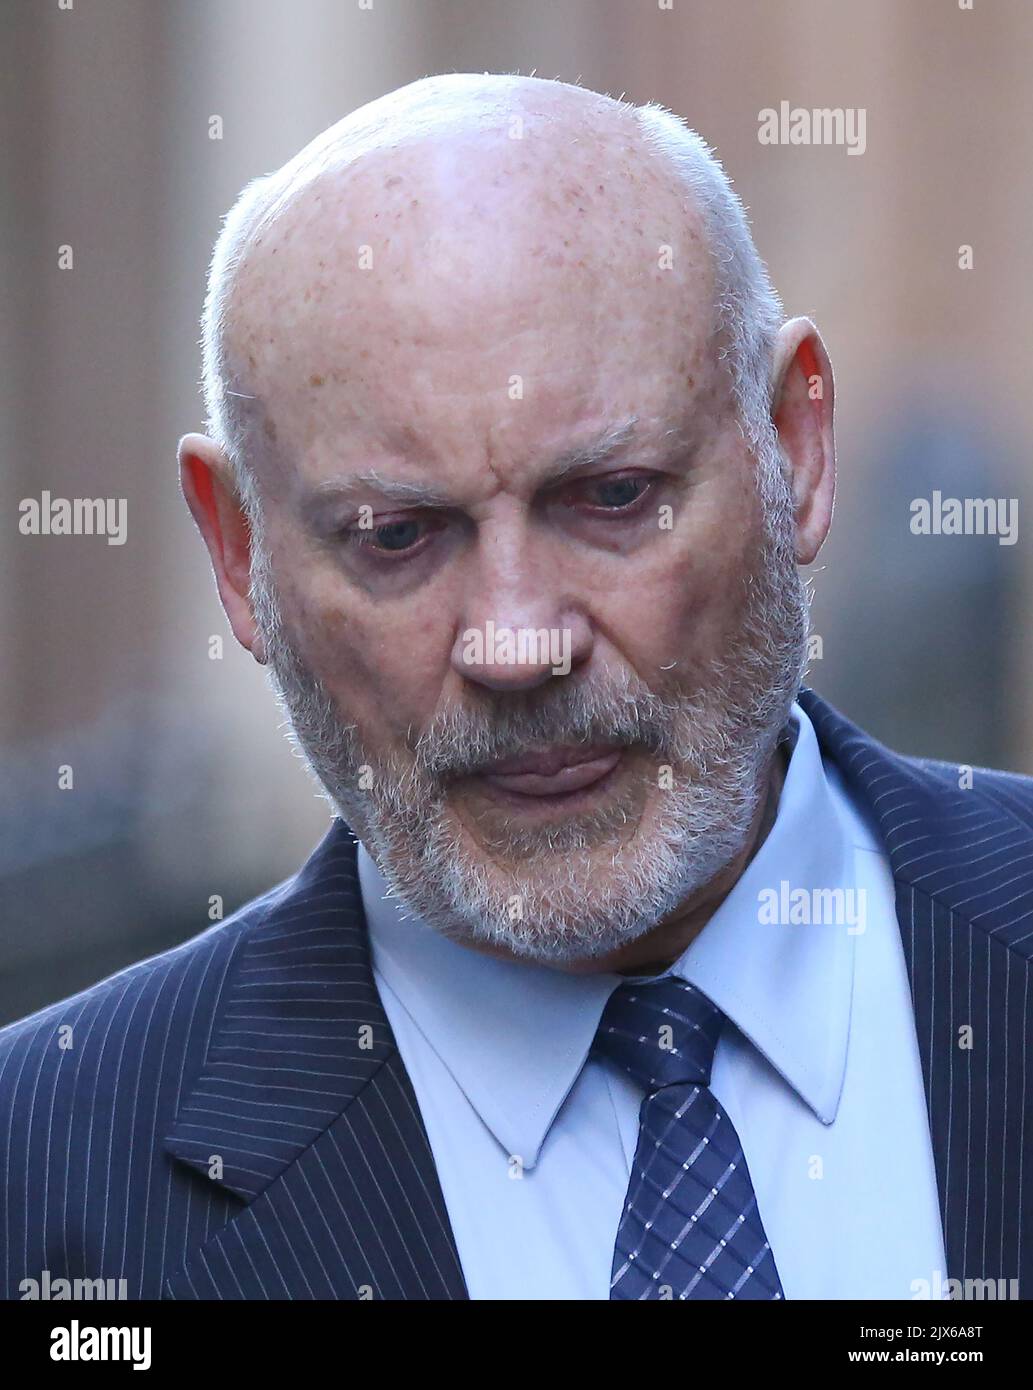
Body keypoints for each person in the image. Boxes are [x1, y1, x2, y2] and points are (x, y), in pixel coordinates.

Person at [1, 74, 1029, 1302]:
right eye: (396, 535)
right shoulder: (46, 1185)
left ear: (793, 449)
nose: (515, 642)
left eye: (610, 498)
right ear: (237, 552)